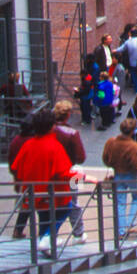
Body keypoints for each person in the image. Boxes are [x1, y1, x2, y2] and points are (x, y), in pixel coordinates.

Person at [9, 108, 79, 259]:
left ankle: (45, 243)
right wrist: (83, 177)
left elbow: (16, 168)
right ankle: (47, 239)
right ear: (51, 126)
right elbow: (64, 172)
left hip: (34, 192)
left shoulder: (28, 145)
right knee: (65, 209)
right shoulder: (53, 146)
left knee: (44, 216)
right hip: (55, 193)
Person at [51, 100, 88, 244]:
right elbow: (81, 157)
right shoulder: (72, 133)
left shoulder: (48, 131)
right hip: (70, 171)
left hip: (52, 172)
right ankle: (79, 233)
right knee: (73, 201)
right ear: (68, 115)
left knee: (53, 202)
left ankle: (49, 234)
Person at [102, 118, 137, 240]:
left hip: (117, 174)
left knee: (120, 202)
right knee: (136, 197)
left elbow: (105, 158)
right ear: (132, 131)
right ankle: (130, 223)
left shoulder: (111, 142)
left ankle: (121, 231)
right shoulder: (134, 146)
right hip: (131, 175)